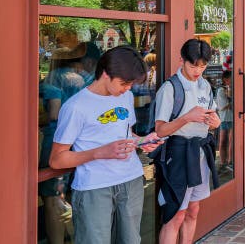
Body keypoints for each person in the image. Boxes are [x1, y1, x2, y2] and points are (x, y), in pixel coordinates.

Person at [49, 46, 162, 244]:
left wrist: (143, 141)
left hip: (131, 179)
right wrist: (99, 152)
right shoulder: (76, 107)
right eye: (124, 83)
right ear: (105, 74)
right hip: (94, 187)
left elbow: (126, 134)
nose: (128, 88)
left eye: (131, 83)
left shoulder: (125, 96)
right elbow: (57, 159)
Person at [155, 39, 221, 244]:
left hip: (200, 153)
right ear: (182, 60)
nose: (198, 70)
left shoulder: (205, 87)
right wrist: (186, 117)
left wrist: (215, 123)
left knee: (193, 210)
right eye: (193, 65)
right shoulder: (170, 88)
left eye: (202, 66)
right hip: (179, 154)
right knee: (176, 214)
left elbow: (211, 118)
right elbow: (160, 130)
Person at [215, 70, 233, 173]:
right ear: (225, 80)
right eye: (231, 79)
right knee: (223, 142)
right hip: (224, 119)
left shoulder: (231, 89)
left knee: (231, 141)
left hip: (231, 118)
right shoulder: (221, 90)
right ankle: (223, 162)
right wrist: (232, 100)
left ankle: (230, 161)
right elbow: (223, 106)